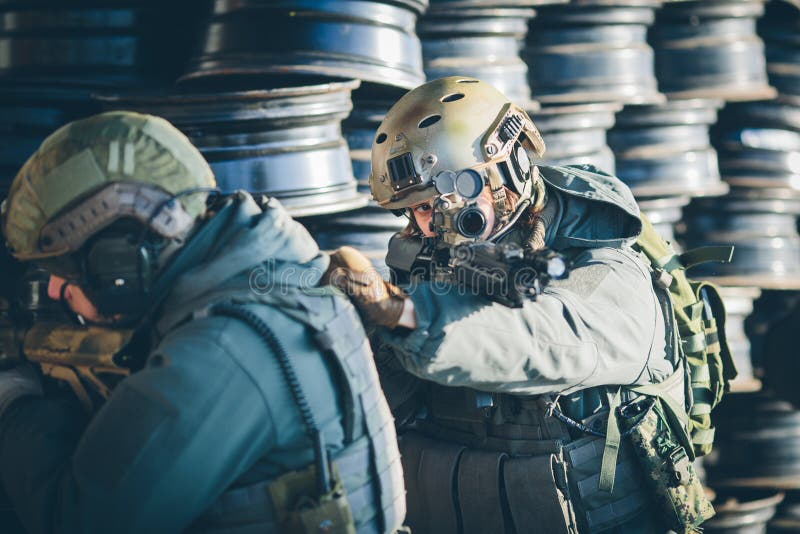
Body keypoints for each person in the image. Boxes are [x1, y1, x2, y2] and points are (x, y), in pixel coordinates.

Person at [325, 77, 721, 534]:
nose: (435, 223)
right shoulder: (435, 266)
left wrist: (406, 315)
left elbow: (545, 338)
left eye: (455, 192)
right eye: (421, 208)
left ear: (507, 170)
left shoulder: (609, 267)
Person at [0, 111, 405, 533]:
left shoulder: (224, 348)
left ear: (119, 261)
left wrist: (13, 399)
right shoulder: (279, 262)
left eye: (65, 271)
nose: (53, 290)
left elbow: (79, 521)